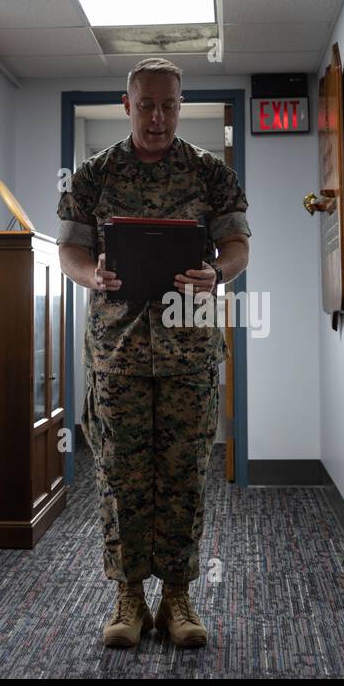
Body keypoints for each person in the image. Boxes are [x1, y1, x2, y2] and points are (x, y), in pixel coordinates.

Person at [56, 58, 252, 648]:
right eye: (147, 105)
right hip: (116, 354)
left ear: (181, 104)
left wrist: (216, 272)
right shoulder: (91, 176)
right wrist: (91, 277)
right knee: (120, 477)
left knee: (185, 475)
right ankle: (128, 599)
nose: (159, 117)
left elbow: (239, 246)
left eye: (169, 105)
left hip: (189, 352)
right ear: (127, 105)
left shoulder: (210, 173)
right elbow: (70, 251)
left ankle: (178, 599)